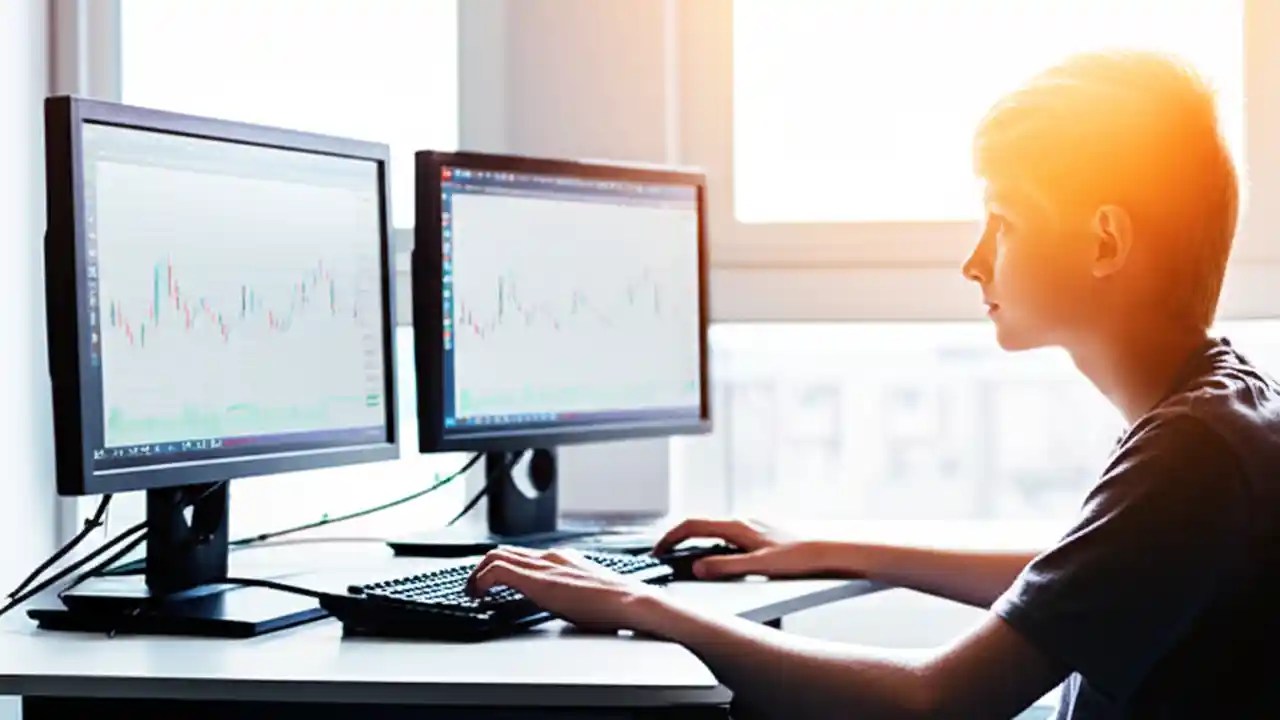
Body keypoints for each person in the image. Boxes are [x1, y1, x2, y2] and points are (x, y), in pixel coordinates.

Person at [466, 50, 1280, 719]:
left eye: (1007, 221)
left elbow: (934, 701)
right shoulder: (1225, 402)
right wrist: (826, 548)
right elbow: (1084, 577)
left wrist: (637, 606)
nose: (976, 260)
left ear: (1105, 241)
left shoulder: (1190, 452)